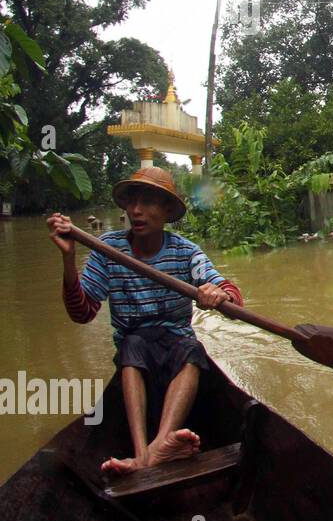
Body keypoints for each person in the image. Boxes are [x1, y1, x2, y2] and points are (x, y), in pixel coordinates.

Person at [47, 166, 244, 477]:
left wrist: (218, 294)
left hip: (177, 348)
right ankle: (144, 453)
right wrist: (68, 260)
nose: (136, 211)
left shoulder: (185, 252)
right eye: (132, 202)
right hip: (135, 354)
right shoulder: (106, 249)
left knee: (192, 349)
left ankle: (160, 443)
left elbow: (231, 293)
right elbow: (82, 313)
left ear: (166, 211)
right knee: (132, 344)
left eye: (148, 202)